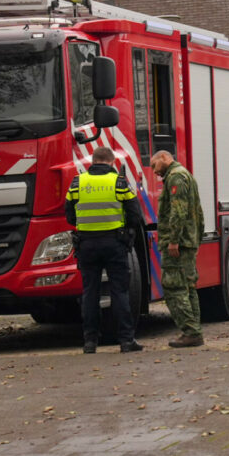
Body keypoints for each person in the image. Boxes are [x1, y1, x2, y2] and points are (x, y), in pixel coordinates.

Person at [65, 146, 145, 354]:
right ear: (111, 162)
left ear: (93, 161)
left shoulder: (78, 182)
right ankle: (126, 341)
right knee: (119, 291)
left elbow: (69, 216)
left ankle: (90, 342)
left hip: (87, 244)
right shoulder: (118, 182)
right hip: (114, 244)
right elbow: (135, 213)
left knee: (90, 293)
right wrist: (125, 231)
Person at [151, 150, 206, 348]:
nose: (154, 171)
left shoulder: (175, 177)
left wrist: (173, 240)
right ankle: (193, 330)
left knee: (174, 286)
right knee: (189, 286)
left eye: (154, 165)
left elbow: (179, 211)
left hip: (178, 243)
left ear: (165, 158)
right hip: (187, 241)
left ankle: (190, 331)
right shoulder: (184, 175)